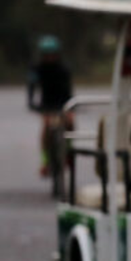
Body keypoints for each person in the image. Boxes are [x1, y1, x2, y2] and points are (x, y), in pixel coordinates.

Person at [27, 35, 74, 179]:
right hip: (47, 104)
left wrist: (71, 107)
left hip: (63, 103)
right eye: (47, 55)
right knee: (47, 127)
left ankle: (69, 152)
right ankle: (45, 161)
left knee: (70, 123)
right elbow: (32, 86)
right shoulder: (37, 69)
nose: (50, 58)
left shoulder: (63, 69)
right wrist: (31, 102)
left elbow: (69, 90)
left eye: (52, 54)